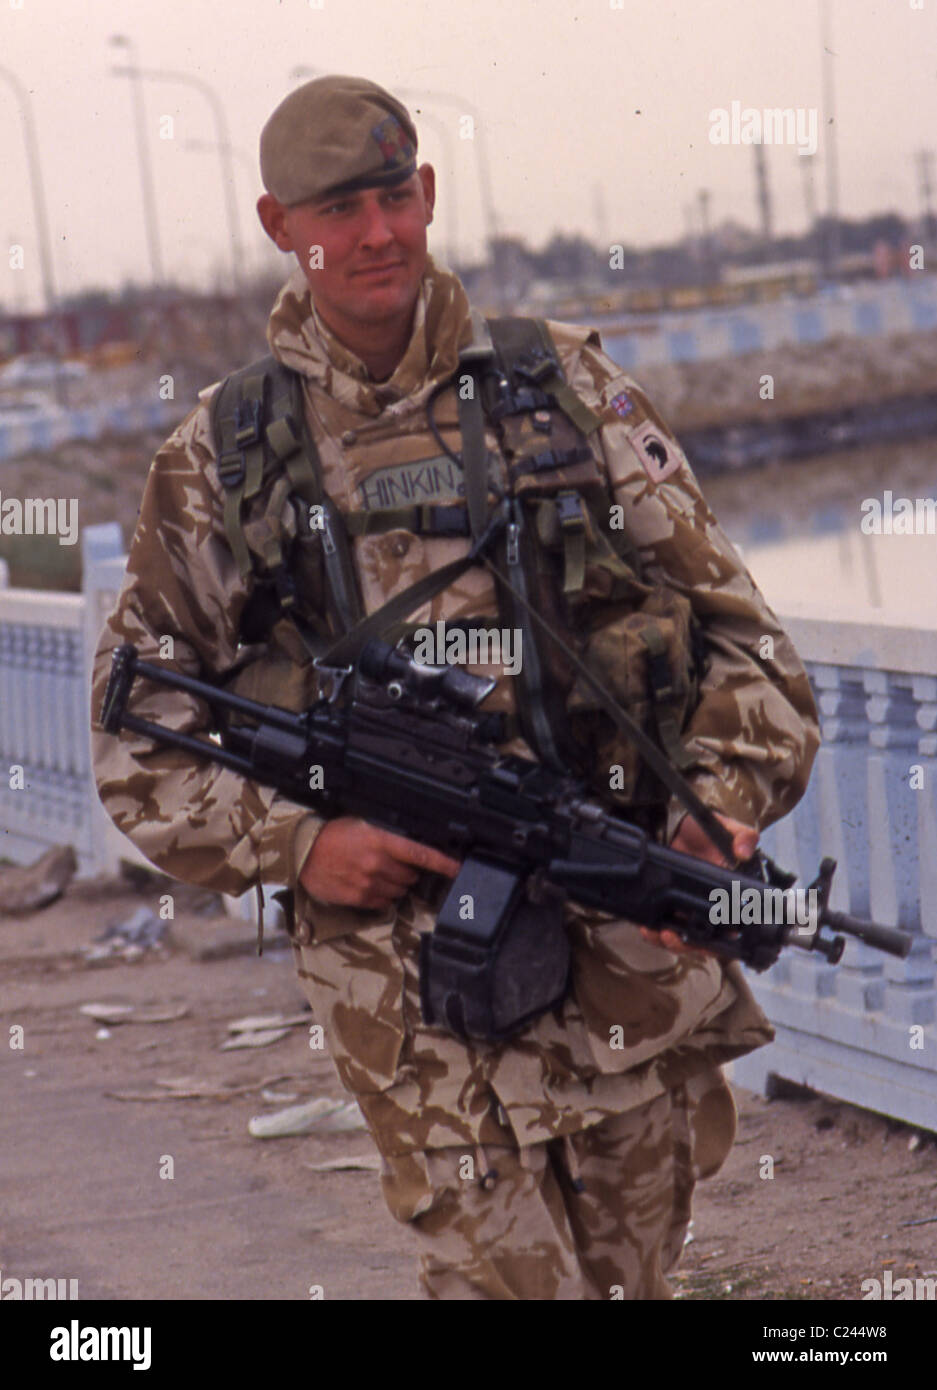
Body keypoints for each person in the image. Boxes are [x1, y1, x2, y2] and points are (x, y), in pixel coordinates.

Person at [90, 74, 820, 1300]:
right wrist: (300, 839)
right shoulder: (220, 458)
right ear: (281, 226)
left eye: (392, 196)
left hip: (618, 950)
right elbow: (135, 729)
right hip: (407, 985)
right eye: (338, 209)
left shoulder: (564, 391)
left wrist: (717, 801)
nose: (374, 233)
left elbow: (747, 642)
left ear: (425, 195)